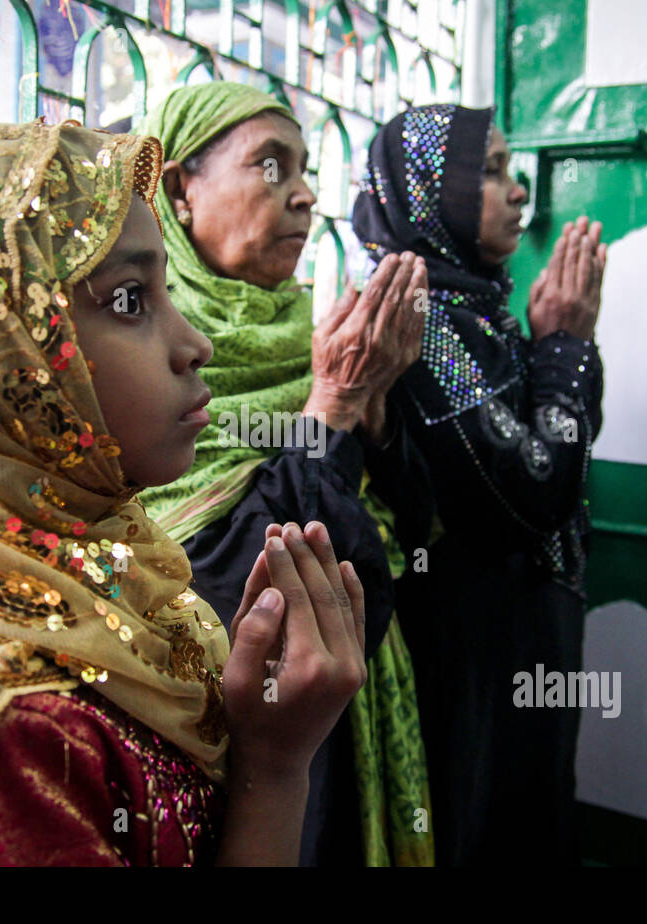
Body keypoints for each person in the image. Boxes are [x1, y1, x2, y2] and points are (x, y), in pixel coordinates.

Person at [0, 119, 368, 866]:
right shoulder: (1, 741)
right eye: (129, 300)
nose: (197, 344)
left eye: (164, 289)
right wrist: (276, 771)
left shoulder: (118, 592)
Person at [139, 82, 435, 866]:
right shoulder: (140, 354)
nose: (304, 195)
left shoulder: (314, 333)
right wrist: (329, 411)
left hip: (342, 712)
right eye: (272, 167)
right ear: (179, 188)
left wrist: (367, 413)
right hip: (237, 743)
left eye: (306, 170)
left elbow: (407, 527)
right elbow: (217, 582)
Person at [352, 104, 607, 865]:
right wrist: (564, 345)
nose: (518, 190)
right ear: (433, 193)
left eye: (509, 168)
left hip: (516, 635)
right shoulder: (423, 321)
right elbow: (532, 491)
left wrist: (555, 349)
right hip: (474, 647)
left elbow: (555, 450)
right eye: (491, 171)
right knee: (488, 826)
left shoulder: (476, 308)